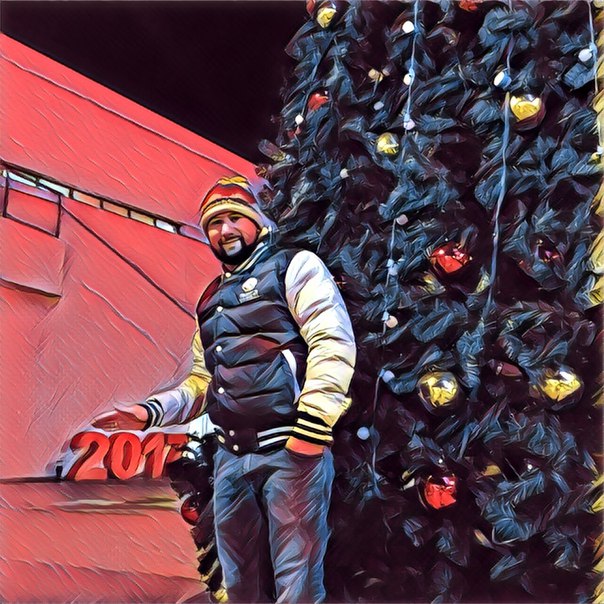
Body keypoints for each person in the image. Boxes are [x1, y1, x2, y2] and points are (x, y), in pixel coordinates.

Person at [93, 175, 356, 603]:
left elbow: (332, 341)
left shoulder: (295, 266)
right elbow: (202, 381)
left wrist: (312, 429)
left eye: (235, 217)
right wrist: (149, 412)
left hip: (291, 453)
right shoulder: (210, 300)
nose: (225, 229)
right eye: (214, 223)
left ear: (257, 222)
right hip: (230, 459)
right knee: (241, 586)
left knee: (297, 587)